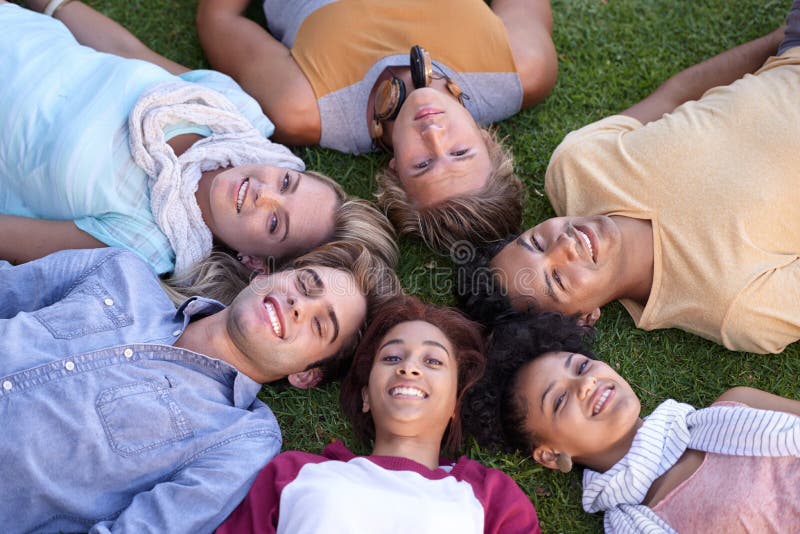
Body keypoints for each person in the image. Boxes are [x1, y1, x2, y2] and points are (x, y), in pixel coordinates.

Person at [0, 242, 399, 533]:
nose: (299, 305)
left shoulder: (240, 439)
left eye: (318, 325)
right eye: (305, 284)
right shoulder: (119, 270)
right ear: (266, 275)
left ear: (305, 375)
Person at [482, 5, 800, 353]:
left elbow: (675, 95)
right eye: (557, 279)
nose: (564, 245)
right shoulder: (738, 310)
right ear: (584, 318)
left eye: (537, 243)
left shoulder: (576, 167)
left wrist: (782, 38)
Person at [0, 1, 397, 278]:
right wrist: (49, 3)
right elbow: (127, 51)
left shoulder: (146, 244)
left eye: (275, 222)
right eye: (286, 182)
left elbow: (9, 234)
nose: (264, 192)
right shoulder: (232, 113)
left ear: (255, 262)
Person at [196, 0, 559, 251]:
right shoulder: (522, 67)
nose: (433, 136)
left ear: (395, 170)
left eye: (423, 165)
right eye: (460, 152)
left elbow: (220, 19)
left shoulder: (305, 106)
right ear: (487, 141)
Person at [217, 296, 541, 533]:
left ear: (455, 405)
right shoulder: (293, 475)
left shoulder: (493, 499)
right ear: (366, 396)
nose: (408, 367)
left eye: (433, 362)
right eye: (392, 357)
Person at [464, 311, 800, 533]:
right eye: (560, 399)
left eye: (581, 367)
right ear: (551, 455)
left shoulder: (737, 406)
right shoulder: (637, 525)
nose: (586, 384)